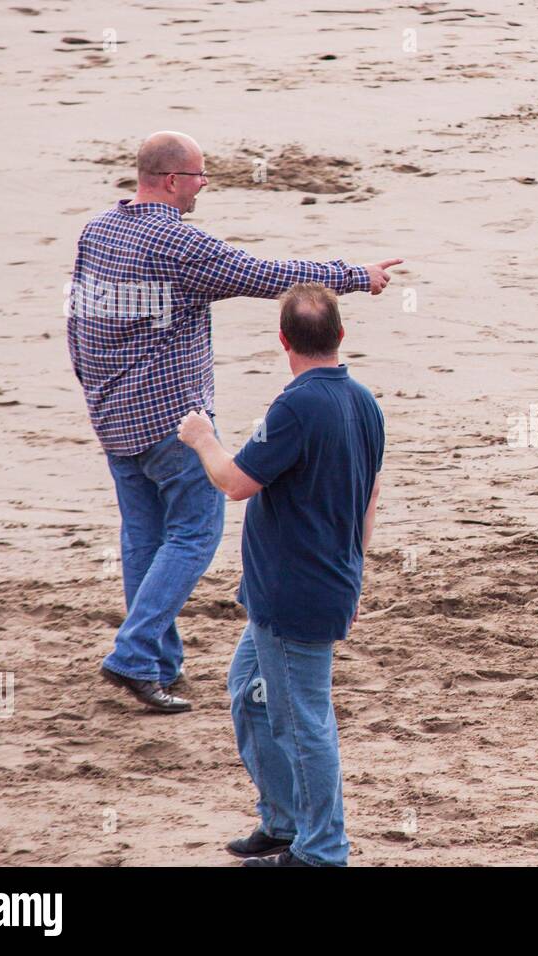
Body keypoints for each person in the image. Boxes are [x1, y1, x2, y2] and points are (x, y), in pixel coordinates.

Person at [67, 130, 400, 713]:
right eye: (199, 177)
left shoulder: (97, 230)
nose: (203, 187)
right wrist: (354, 275)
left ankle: (156, 664)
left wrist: (95, 392)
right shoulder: (177, 244)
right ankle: (135, 654)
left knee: (145, 539)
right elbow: (267, 275)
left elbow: (77, 321)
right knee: (193, 535)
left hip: (112, 413)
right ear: (171, 181)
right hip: (175, 420)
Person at [178, 282, 383, 867]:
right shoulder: (363, 400)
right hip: (301, 587)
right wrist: (355, 573)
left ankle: (322, 850)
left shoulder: (294, 405)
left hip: (296, 592)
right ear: (340, 335)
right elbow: (369, 497)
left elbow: (237, 482)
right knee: (250, 695)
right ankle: (284, 822)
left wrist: (202, 438)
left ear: (283, 340)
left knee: (304, 722)